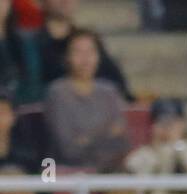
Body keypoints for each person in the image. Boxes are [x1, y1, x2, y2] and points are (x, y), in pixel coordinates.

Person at [43, 28, 129, 170]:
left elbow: (122, 141)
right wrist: (105, 132)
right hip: (66, 168)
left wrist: (86, 139)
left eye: (90, 51)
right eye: (78, 52)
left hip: (110, 166)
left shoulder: (109, 92)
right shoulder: (57, 93)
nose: (85, 59)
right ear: (67, 57)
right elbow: (68, 148)